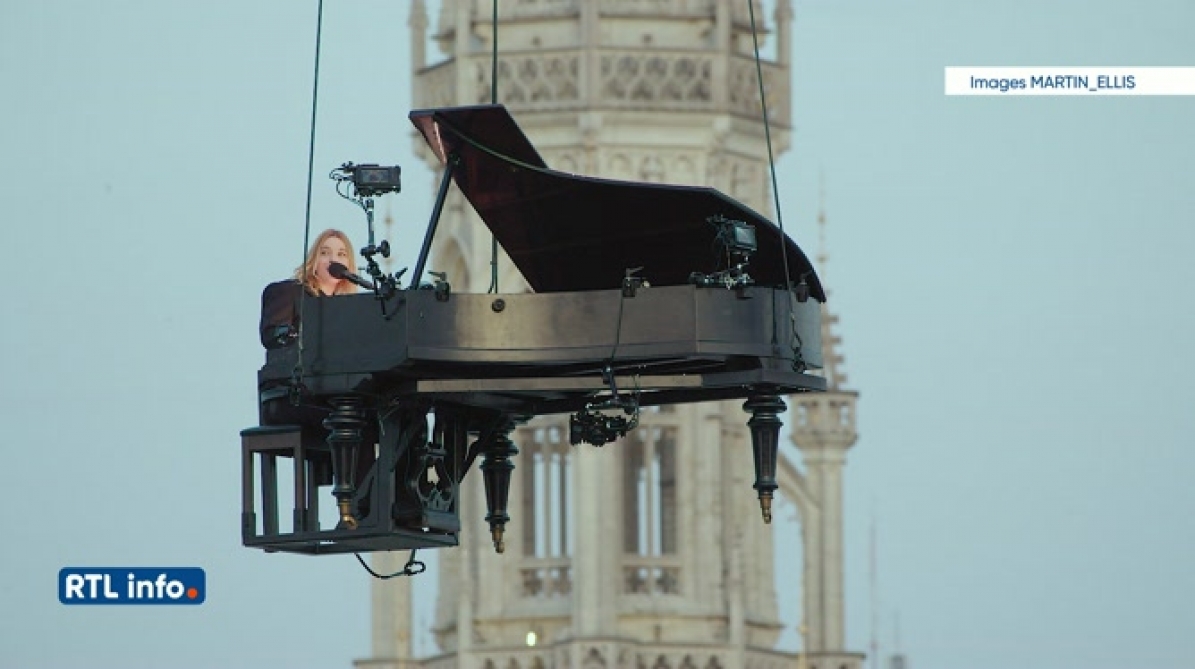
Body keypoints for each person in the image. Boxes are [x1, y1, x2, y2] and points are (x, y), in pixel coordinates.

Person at [259, 228, 361, 349]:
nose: (334, 260)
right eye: (324, 253)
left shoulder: (347, 311)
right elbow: (272, 336)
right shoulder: (289, 291)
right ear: (314, 259)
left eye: (341, 254)